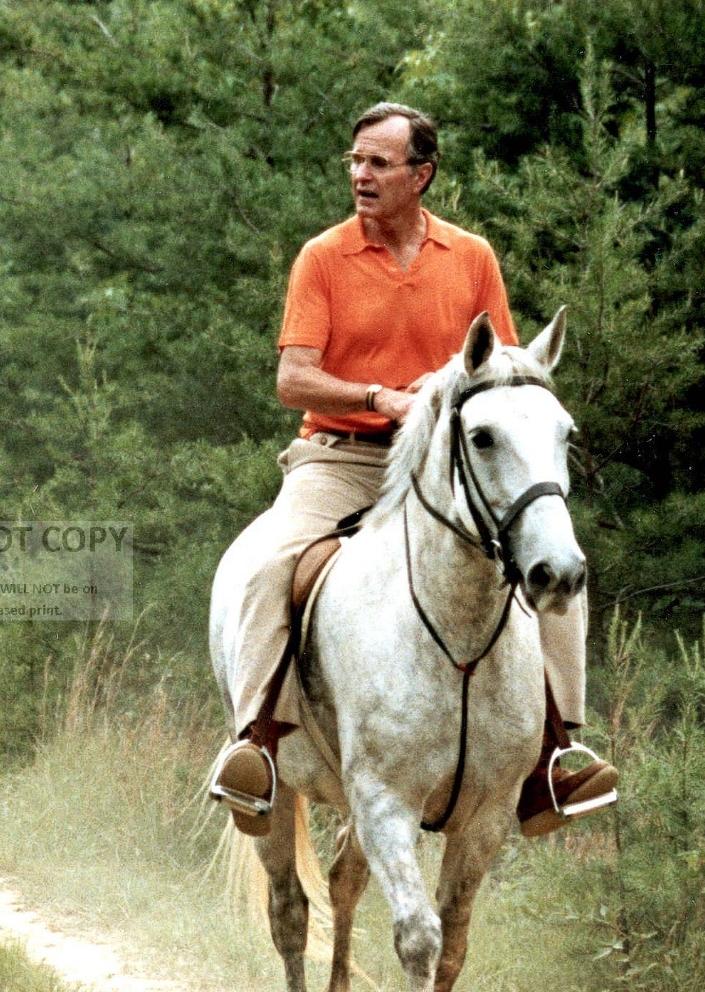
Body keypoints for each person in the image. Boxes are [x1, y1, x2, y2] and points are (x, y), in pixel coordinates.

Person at [210, 102, 618, 839]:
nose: (360, 176)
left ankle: (557, 754)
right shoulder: (322, 257)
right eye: (355, 162)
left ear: (421, 175)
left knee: (556, 567)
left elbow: (504, 373)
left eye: (378, 163)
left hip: (445, 465)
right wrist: (377, 398)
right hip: (340, 458)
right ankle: (256, 747)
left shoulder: (472, 257)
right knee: (273, 563)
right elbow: (293, 381)